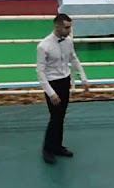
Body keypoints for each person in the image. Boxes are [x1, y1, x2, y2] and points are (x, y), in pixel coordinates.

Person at [35, 14, 89, 165]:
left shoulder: (68, 41)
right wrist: (51, 93)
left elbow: (73, 58)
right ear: (57, 26)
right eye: (66, 27)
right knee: (55, 117)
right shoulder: (43, 46)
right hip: (52, 83)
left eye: (70, 27)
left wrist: (83, 78)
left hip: (65, 81)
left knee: (61, 116)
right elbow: (40, 72)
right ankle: (47, 149)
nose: (69, 30)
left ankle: (57, 146)